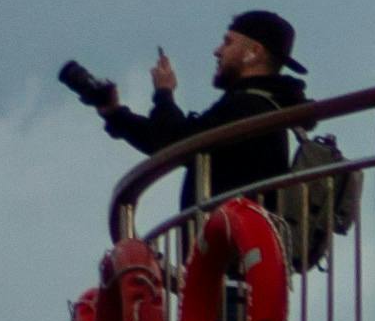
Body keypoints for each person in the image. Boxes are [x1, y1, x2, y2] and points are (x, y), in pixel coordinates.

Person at [60, 12, 307, 205]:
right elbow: (175, 139)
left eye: (228, 42)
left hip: (229, 260)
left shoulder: (249, 106)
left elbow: (171, 142)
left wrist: (164, 93)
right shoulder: (265, 108)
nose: (217, 51)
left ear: (253, 52)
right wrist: (114, 112)